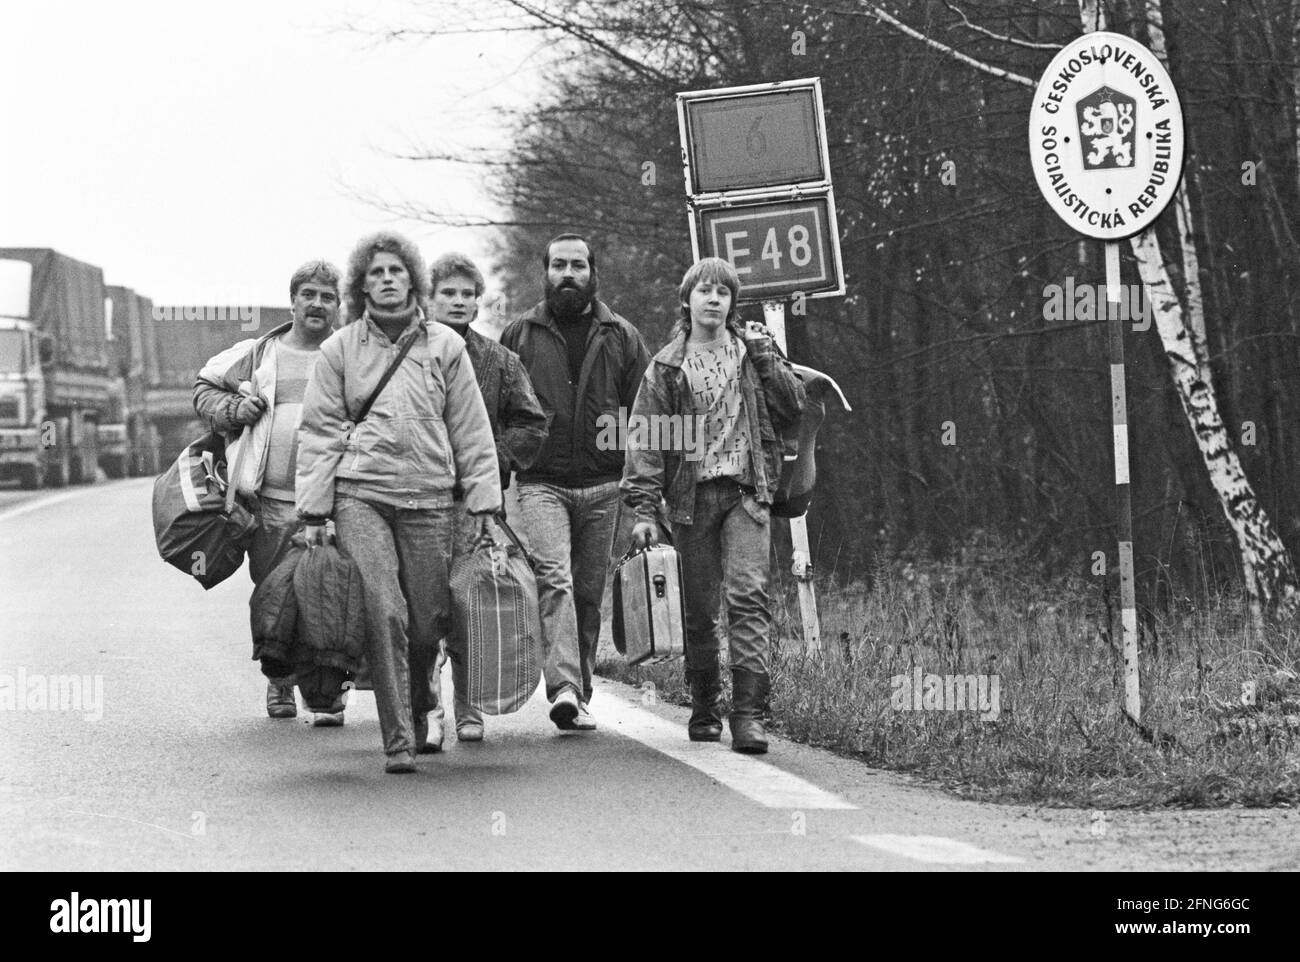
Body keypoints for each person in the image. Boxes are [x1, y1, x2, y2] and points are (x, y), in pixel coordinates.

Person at [295, 232, 501, 774]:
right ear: (361, 285)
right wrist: (315, 512)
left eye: (396, 271)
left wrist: (483, 500)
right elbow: (317, 432)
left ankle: (421, 701)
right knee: (383, 609)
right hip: (362, 495)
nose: (386, 280)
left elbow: (472, 429)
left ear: (414, 280)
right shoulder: (339, 350)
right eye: (375, 273)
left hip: (432, 497)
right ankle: (398, 739)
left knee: (429, 618)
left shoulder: (446, 347)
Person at [620, 257, 805, 753]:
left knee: (748, 600)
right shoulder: (667, 366)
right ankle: (705, 707)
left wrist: (768, 355)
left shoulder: (752, 353)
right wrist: (643, 509)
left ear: (732, 302)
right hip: (691, 500)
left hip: (747, 492)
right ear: (687, 300)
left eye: (723, 291)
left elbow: (795, 406)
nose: (714, 298)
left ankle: (749, 715)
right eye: (704, 290)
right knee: (700, 611)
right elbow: (645, 439)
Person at [500, 234, 650, 731]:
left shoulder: (622, 336)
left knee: (588, 591)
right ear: (545, 271)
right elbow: (498, 413)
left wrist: (647, 489)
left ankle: (579, 690)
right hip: (540, 482)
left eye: (578, 265)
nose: (569, 273)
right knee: (555, 580)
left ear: (592, 273)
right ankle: (562, 685)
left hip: (606, 484)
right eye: (559, 265)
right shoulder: (518, 335)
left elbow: (646, 415)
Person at [193, 260, 349, 724]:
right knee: (274, 592)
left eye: (327, 296)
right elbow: (203, 389)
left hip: (335, 501)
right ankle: (279, 682)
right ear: (293, 300)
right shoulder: (258, 353)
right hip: (270, 501)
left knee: (330, 594)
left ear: (338, 304)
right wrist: (233, 408)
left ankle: (325, 691)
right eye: (309, 294)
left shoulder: (348, 355)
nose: (317, 303)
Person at [426, 252, 548, 745]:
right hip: (416, 500)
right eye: (447, 293)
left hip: (474, 506)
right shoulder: (408, 355)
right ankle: (427, 709)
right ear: (428, 300)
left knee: (468, 603)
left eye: (466, 295)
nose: (458, 301)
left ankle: (468, 704)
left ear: (477, 305)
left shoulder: (500, 360)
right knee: (421, 610)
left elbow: (531, 423)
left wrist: (490, 458)